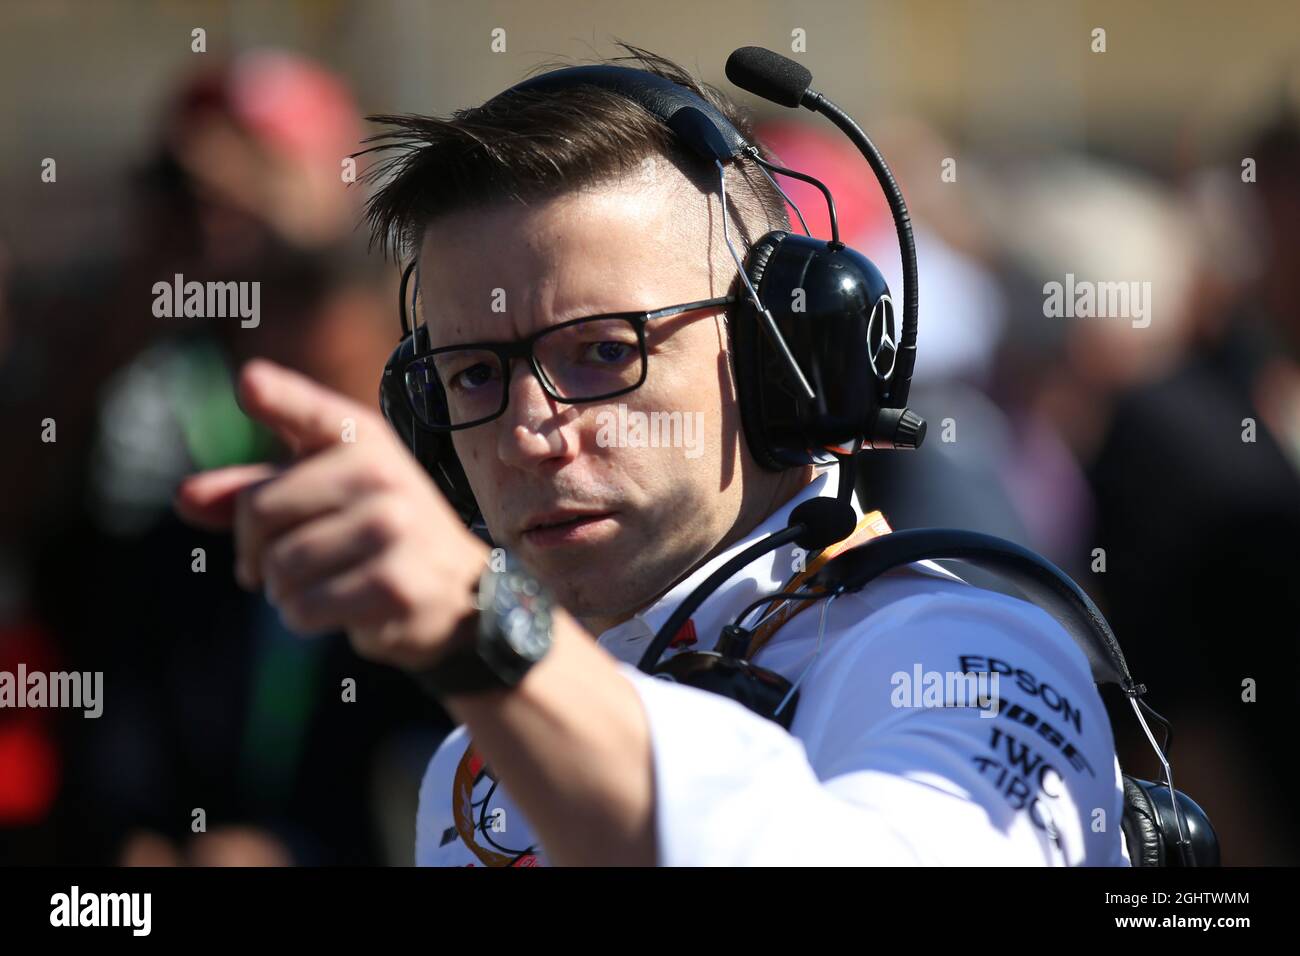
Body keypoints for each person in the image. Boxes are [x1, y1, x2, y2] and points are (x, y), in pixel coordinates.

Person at [174, 45, 1130, 866]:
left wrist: (488, 632)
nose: (526, 430)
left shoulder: (969, 655)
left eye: (601, 352)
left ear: (782, 359)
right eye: (472, 376)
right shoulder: (473, 774)